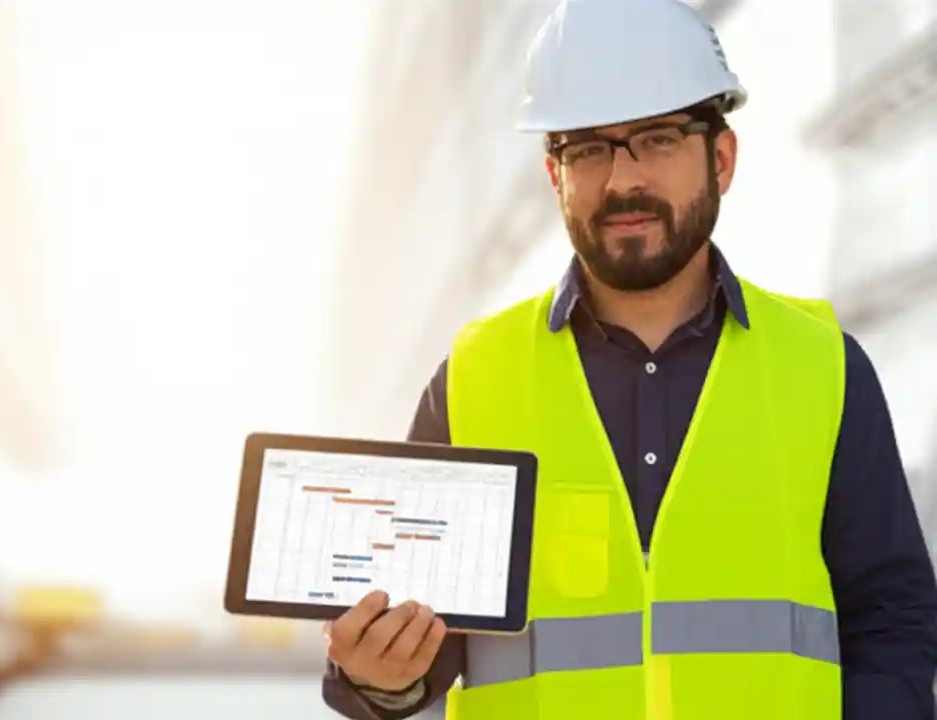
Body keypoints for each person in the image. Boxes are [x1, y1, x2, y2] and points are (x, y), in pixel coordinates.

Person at [321, 0, 937, 718]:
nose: (621, 181)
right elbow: (421, 651)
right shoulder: (473, 378)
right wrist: (380, 677)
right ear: (554, 175)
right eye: (587, 147)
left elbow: (892, 625)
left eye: (657, 139)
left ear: (723, 158)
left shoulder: (825, 366)